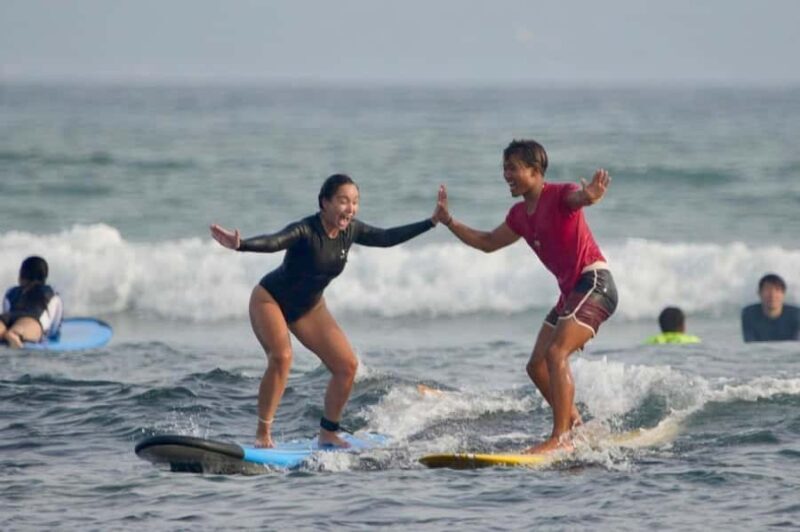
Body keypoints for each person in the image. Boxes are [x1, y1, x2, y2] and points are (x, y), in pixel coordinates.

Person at [210, 173, 442, 448]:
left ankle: (328, 432)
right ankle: (263, 434)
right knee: (282, 357)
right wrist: (241, 245)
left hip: (310, 307)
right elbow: (275, 241)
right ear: (324, 203)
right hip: (270, 299)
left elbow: (386, 237)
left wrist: (431, 222)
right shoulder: (306, 230)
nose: (350, 208)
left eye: (355, 202)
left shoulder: (351, 231)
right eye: (343, 201)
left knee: (347, 366)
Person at [433, 139, 618, 454]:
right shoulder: (519, 214)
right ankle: (576, 428)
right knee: (537, 366)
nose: (507, 174)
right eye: (504, 168)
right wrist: (449, 221)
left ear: (535, 171)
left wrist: (588, 197)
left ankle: (560, 437)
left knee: (556, 354)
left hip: (594, 283)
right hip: (570, 293)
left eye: (513, 168)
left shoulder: (560, 194)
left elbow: (576, 199)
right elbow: (488, 242)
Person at [1, 256, 64, 348]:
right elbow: (54, 328)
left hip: (7, 317)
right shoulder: (52, 294)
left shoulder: (11, 292)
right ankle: (13, 335)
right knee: (16, 333)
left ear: (21, 276)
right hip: (32, 319)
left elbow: (6, 310)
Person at [741, 273, 799, 342]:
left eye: (777, 290)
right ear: (759, 293)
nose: (772, 295)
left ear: (783, 294)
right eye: (767, 289)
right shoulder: (749, 314)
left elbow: (796, 345)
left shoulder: (796, 314)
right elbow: (750, 345)